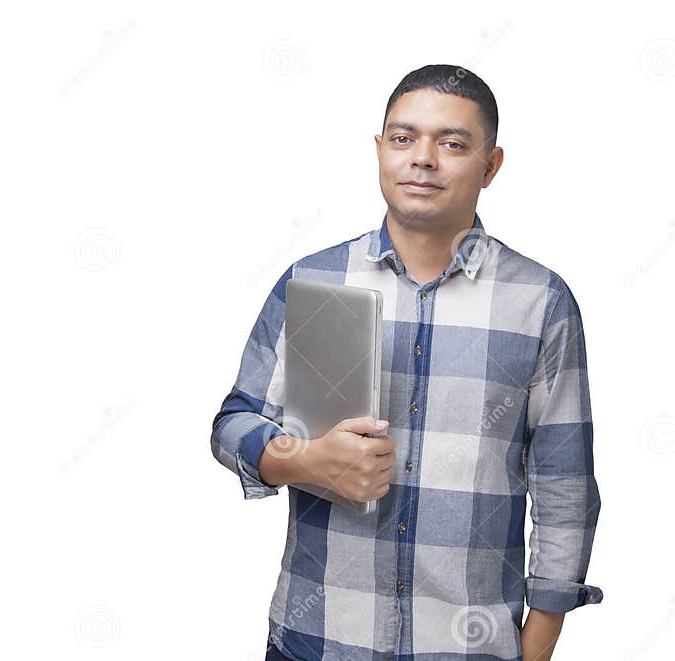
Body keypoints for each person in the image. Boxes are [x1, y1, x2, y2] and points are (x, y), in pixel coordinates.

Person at [211, 64, 602, 661]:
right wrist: (306, 459)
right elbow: (233, 424)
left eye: (451, 143)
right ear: (379, 150)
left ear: (491, 165)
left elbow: (564, 485)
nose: (422, 158)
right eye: (403, 138)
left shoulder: (540, 302)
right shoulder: (314, 281)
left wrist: (536, 648)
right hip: (318, 642)